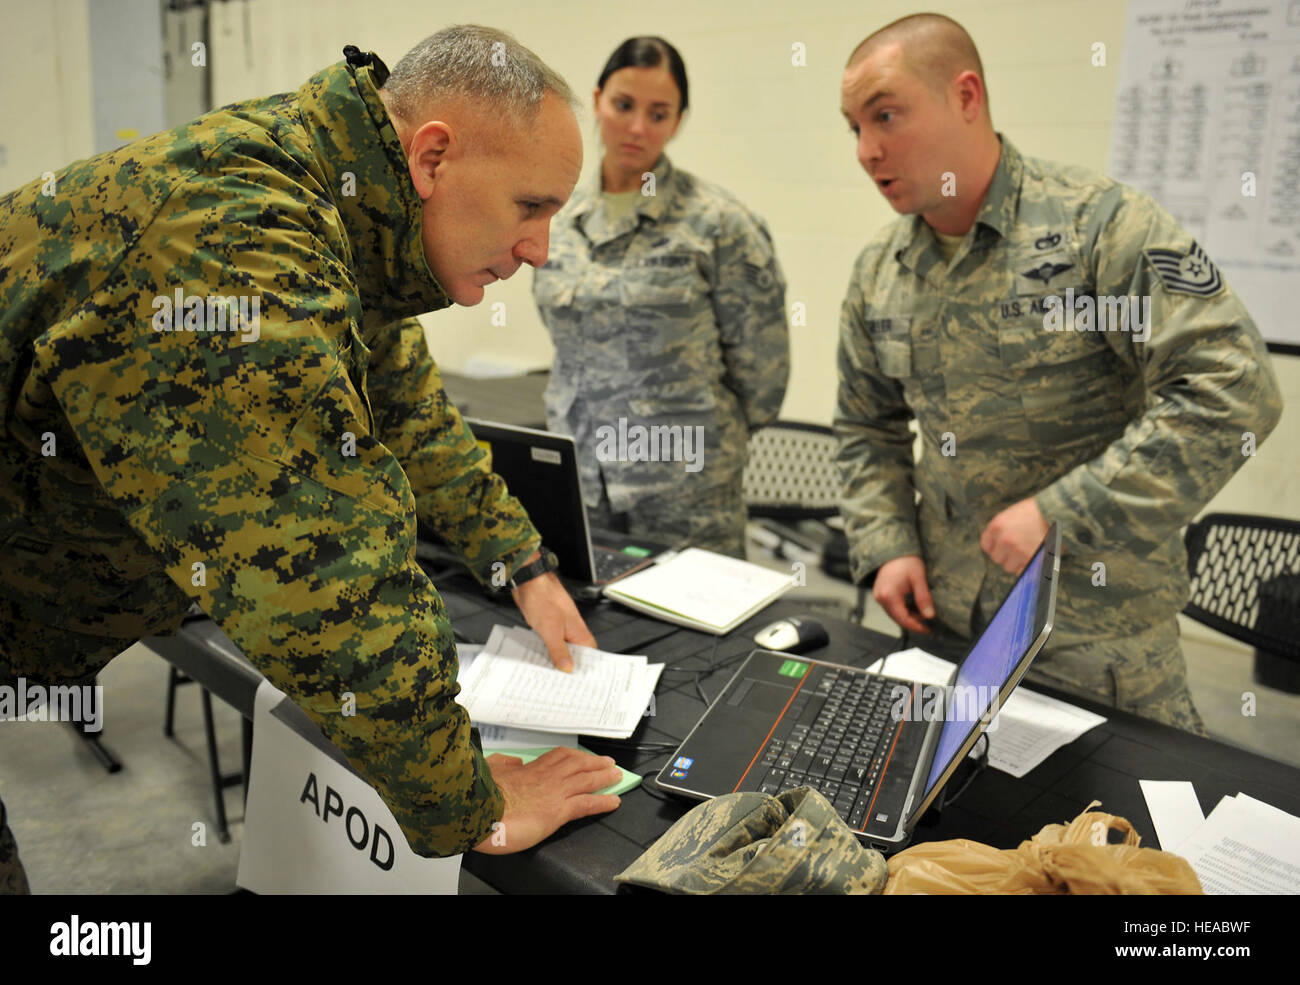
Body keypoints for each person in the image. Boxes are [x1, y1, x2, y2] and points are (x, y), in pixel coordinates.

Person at [0, 25, 624, 894]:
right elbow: (327, 575)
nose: (541, 248)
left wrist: (524, 564)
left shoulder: (336, 206)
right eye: (531, 206)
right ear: (433, 157)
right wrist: (471, 800)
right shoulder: (234, 235)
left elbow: (410, 410)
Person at [833, 14, 1284, 733]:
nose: (867, 149)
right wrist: (887, 545)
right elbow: (867, 426)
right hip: (944, 630)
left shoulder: (1099, 229)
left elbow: (1234, 391)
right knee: (946, 843)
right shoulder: (880, 271)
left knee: (1115, 842)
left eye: (885, 115)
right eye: (854, 126)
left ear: (967, 96)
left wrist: (1060, 511)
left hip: (1096, 646)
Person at [532, 36, 790, 559]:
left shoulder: (718, 225)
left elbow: (762, 379)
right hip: (583, 482)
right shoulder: (556, 217)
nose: (637, 128)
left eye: (659, 113)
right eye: (624, 106)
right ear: (598, 98)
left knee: (696, 637)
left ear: (678, 120)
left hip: (686, 493)